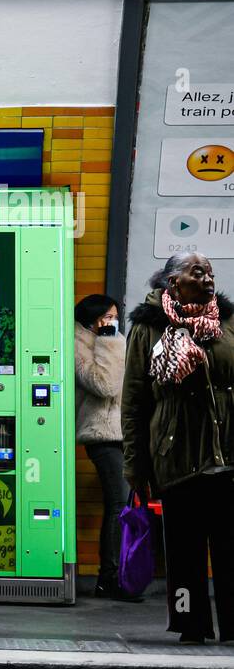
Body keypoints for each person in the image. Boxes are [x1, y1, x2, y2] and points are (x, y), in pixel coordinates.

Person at [122, 252, 234, 644]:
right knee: (185, 553)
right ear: (173, 282)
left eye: (210, 273)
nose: (207, 279)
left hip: (228, 454)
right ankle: (191, 623)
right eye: (197, 272)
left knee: (230, 549)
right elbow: (134, 400)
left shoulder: (228, 322)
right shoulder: (148, 327)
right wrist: (136, 465)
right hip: (177, 455)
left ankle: (232, 626)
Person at [73, 293, 139, 601]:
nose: (114, 322)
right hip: (101, 435)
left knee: (122, 504)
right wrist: (109, 339)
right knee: (118, 503)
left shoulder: (101, 339)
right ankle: (108, 578)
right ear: (97, 319)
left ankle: (116, 575)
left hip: (122, 433)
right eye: (109, 317)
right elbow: (105, 384)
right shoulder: (78, 344)